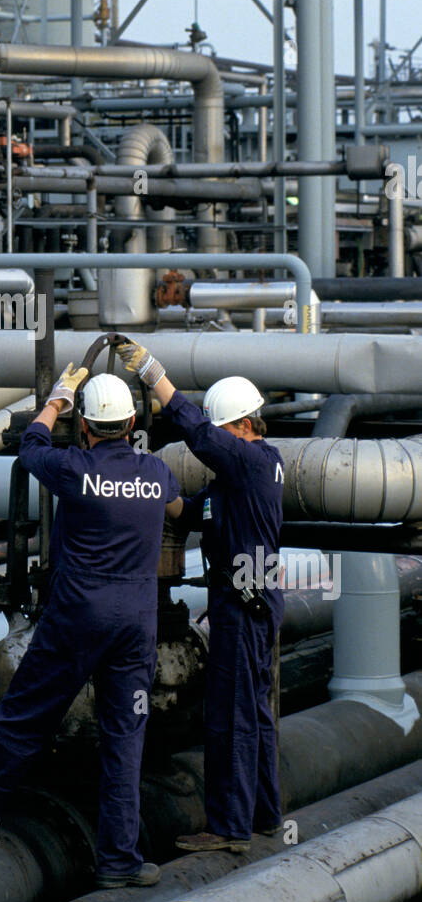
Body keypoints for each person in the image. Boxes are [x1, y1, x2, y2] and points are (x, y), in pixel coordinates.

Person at [0, 363, 183, 888]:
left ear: (86, 426)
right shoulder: (155, 472)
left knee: (24, 716)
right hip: (136, 622)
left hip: (77, 615)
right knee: (125, 735)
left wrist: (58, 397)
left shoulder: (72, 468)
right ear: (132, 423)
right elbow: (179, 508)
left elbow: (30, 445)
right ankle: (118, 861)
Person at [121, 342, 285, 854]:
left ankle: (228, 828)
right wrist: (148, 479)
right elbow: (189, 514)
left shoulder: (254, 462)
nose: (213, 442)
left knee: (230, 717)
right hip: (248, 603)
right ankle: (262, 814)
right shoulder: (233, 481)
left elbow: (195, 429)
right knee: (254, 714)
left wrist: (154, 374)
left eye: (221, 432)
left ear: (239, 427)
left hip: (244, 606)